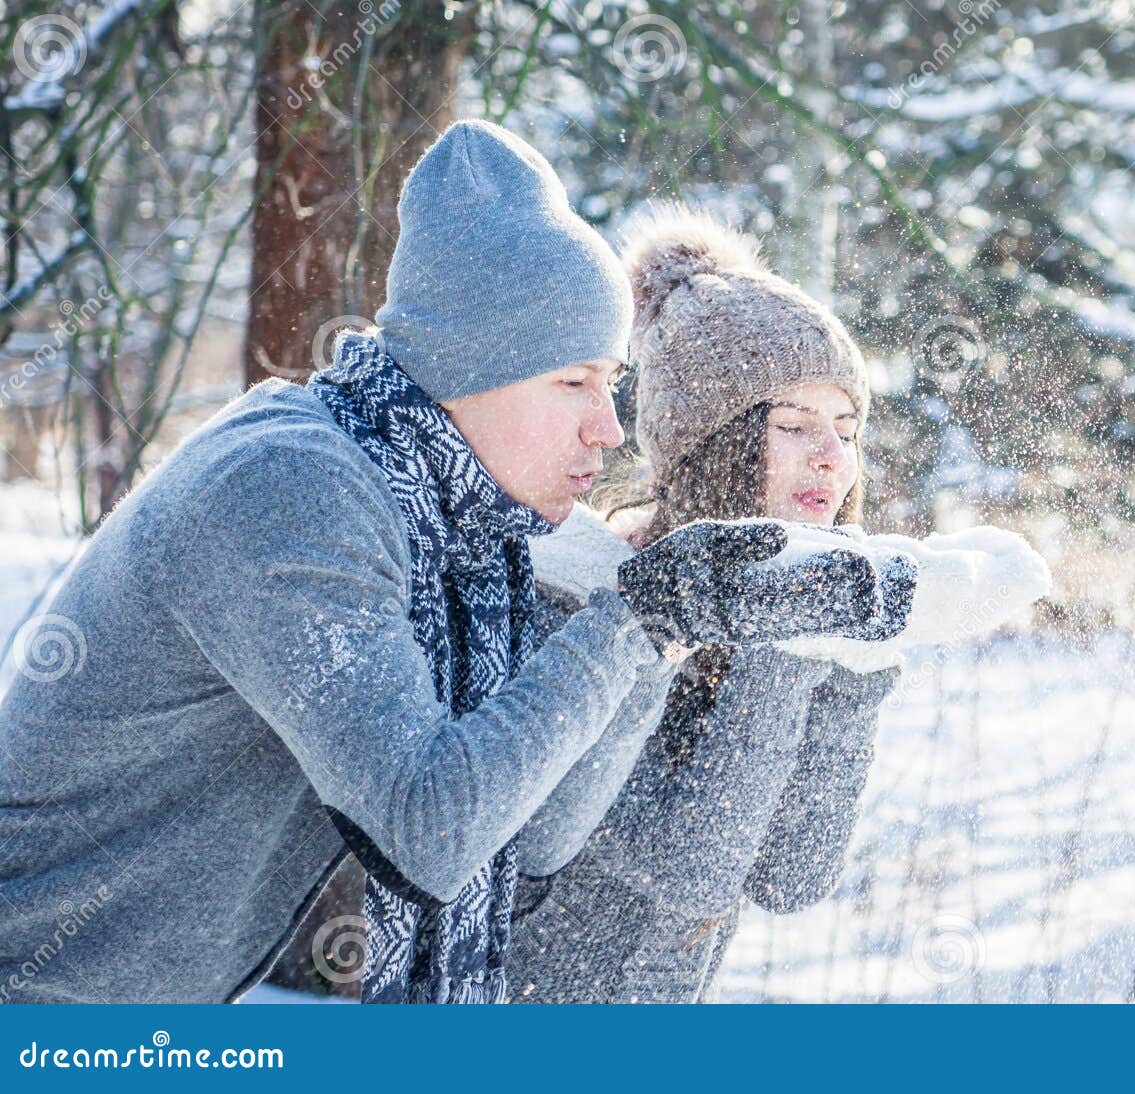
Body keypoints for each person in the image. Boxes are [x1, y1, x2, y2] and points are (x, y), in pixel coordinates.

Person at [0, 124, 913, 1005]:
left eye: (610, 383)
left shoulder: (454, 520)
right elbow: (430, 830)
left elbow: (537, 837)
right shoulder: (289, 489)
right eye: (573, 382)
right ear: (469, 370)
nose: (608, 428)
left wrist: (654, 635)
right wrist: (638, 621)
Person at [501, 208, 1051, 1002]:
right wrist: (784, 633)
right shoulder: (598, 610)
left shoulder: (810, 597)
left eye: (847, 431)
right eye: (794, 426)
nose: (831, 457)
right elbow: (691, 872)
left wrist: (853, 651)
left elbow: (794, 876)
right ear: (708, 451)